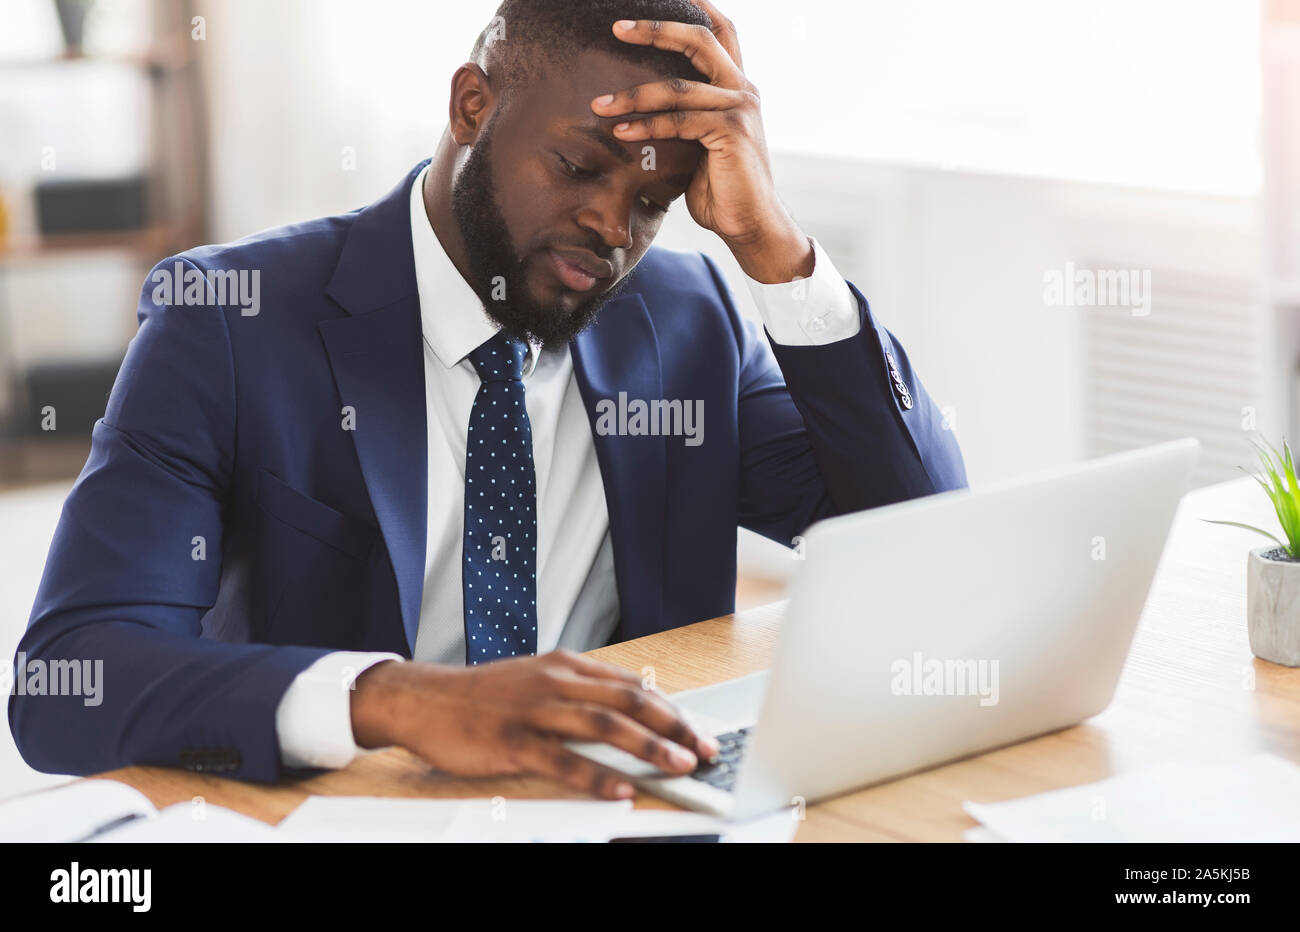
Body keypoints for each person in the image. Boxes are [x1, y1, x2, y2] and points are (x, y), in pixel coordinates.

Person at [10, 0, 966, 799]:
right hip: (356, 810)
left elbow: (918, 540)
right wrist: (396, 699)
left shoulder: (686, 317)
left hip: (618, 806)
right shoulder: (229, 323)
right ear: (474, 104)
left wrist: (776, 251)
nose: (610, 225)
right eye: (581, 167)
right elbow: (71, 680)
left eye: (652, 201)